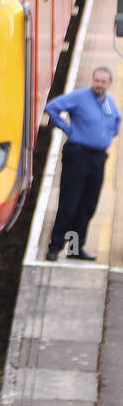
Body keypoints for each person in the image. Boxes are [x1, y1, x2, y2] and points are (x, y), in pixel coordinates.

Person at [44, 67, 121, 261]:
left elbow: (116, 119)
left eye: (103, 82)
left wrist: (111, 133)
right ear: (92, 80)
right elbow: (52, 107)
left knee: (87, 206)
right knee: (69, 203)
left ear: (109, 84)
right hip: (77, 156)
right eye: (97, 80)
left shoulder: (108, 103)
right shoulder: (79, 97)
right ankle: (55, 247)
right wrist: (68, 129)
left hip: (98, 159)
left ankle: (75, 248)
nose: (99, 85)